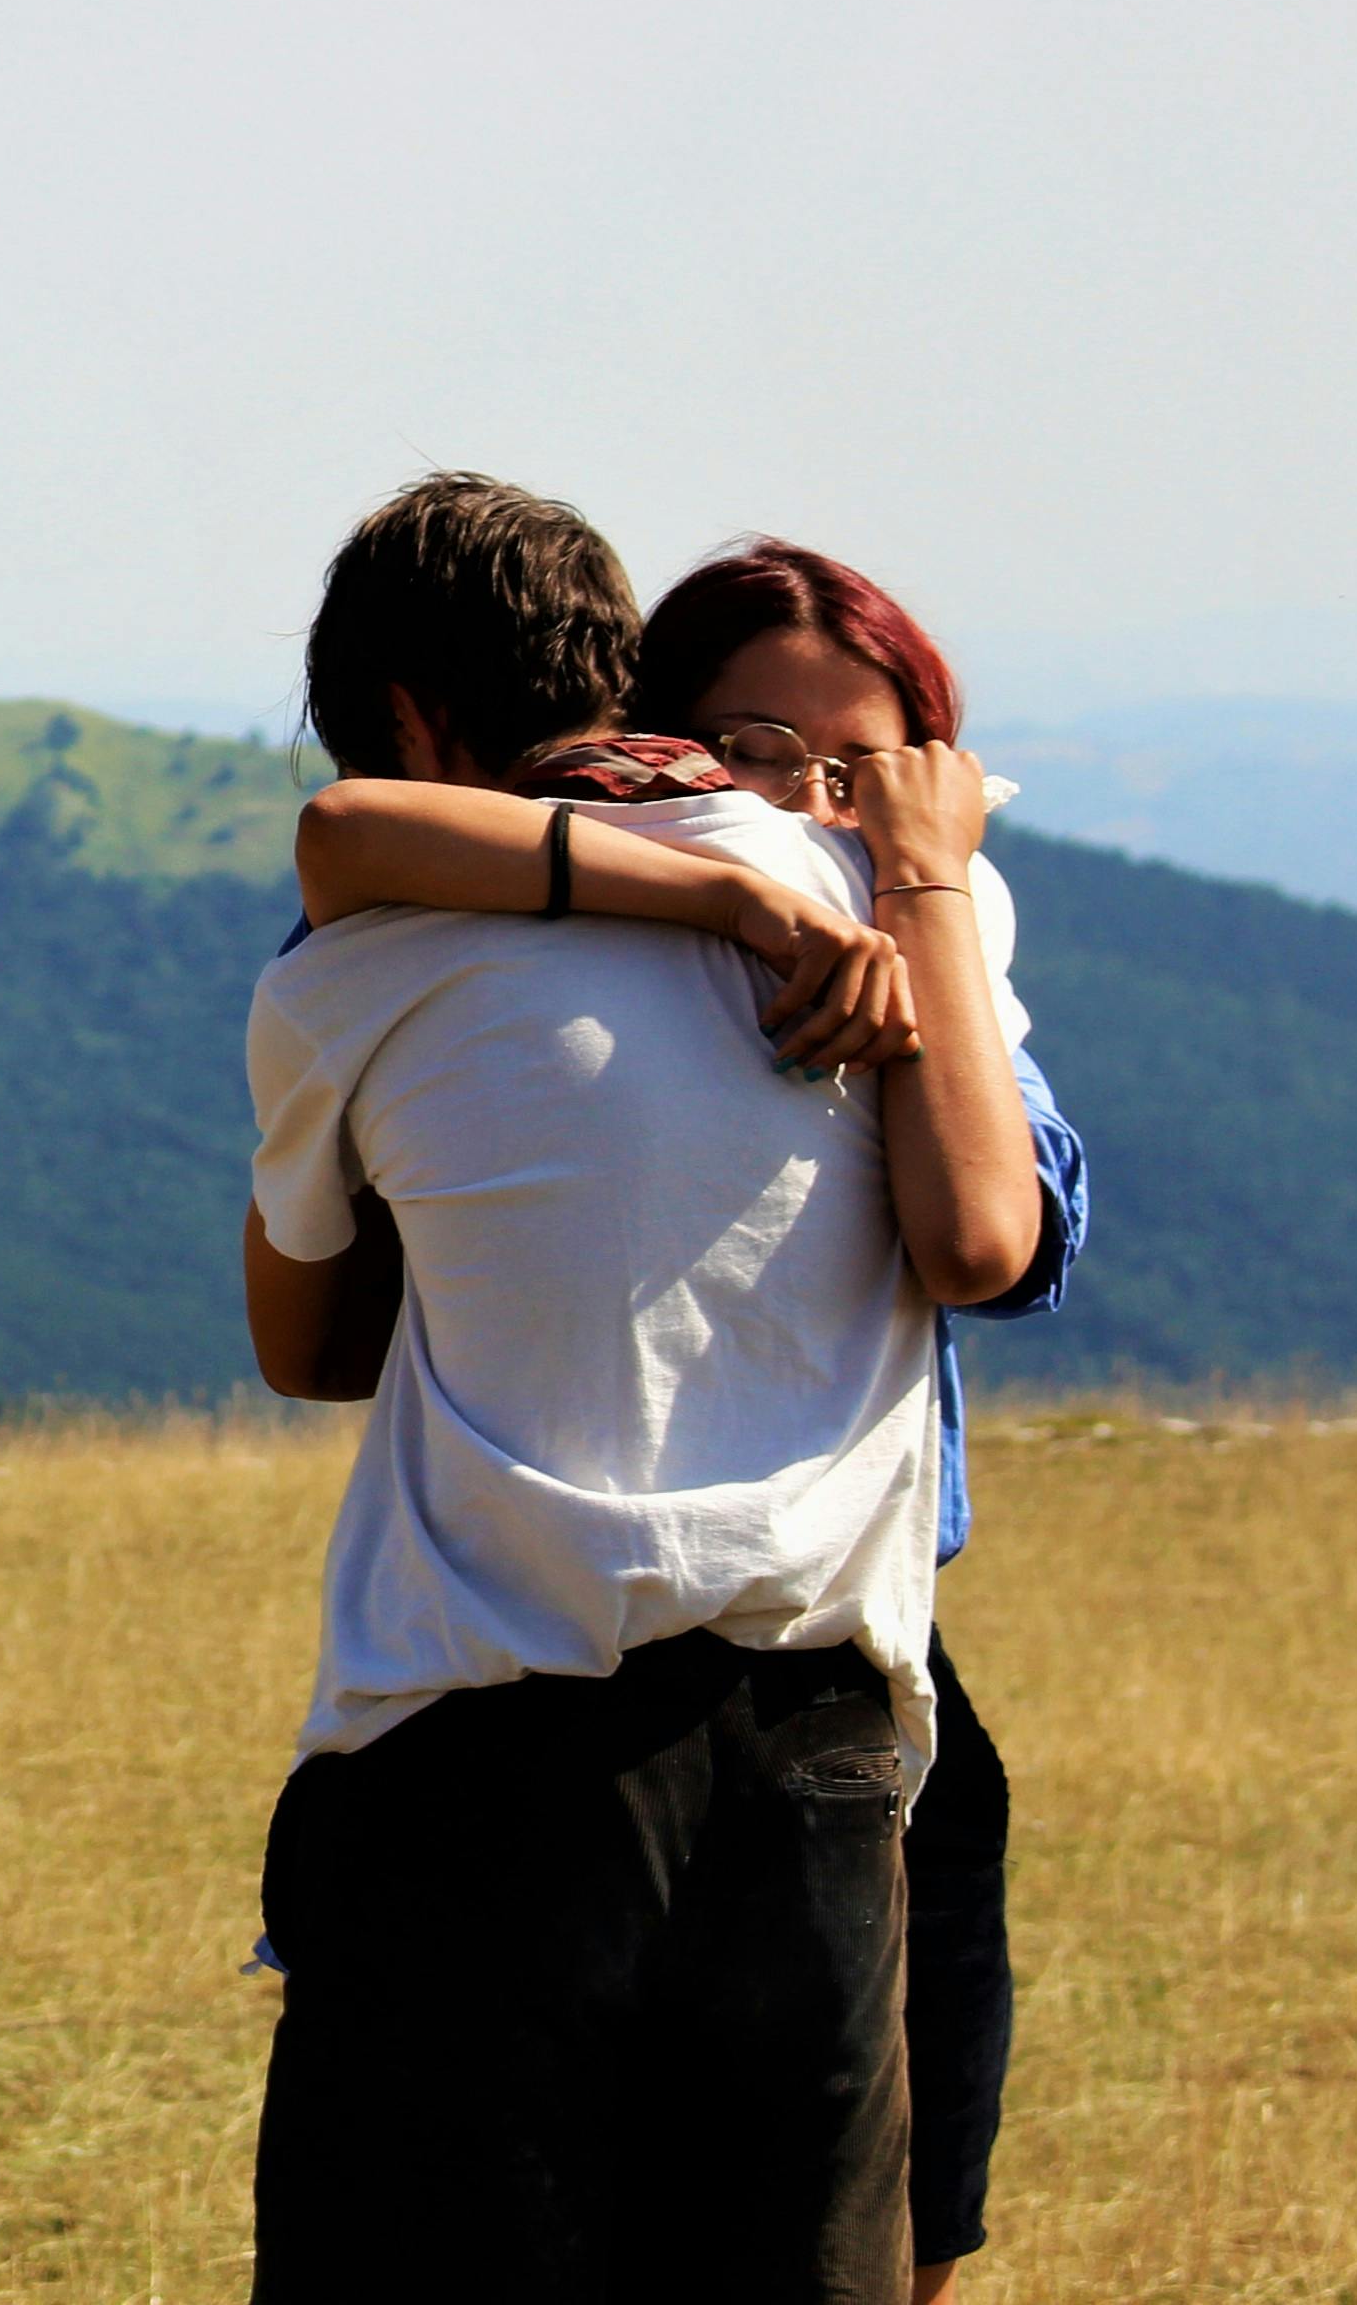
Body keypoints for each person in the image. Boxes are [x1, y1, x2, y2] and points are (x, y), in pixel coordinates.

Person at [241, 475, 1046, 2305]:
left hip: (481, 1763)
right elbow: (987, 1235)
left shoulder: (366, 962)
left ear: (411, 724)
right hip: (831, 1759)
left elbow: (311, 1348)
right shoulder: (907, 898)